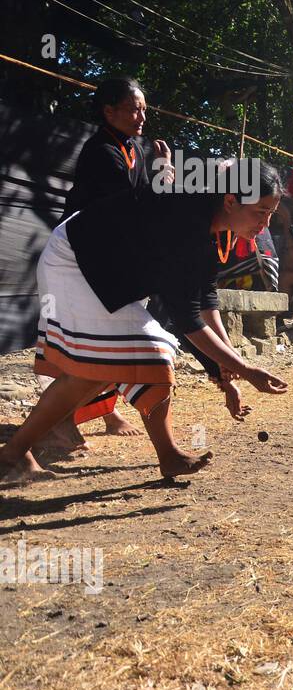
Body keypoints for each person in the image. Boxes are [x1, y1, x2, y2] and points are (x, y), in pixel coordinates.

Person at [1, 163, 288, 483]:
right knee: (149, 351)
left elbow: (206, 300)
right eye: (261, 212)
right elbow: (187, 319)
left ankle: (19, 450)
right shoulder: (185, 217)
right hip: (74, 263)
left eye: (271, 214)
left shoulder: (211, 225)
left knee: (99, 367)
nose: (265, 224)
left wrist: (227, 373)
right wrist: (245, 371)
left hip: (105, 274)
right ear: (231, 201)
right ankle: (165, 455)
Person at [61, 76, 177, 438]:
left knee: (107, 342)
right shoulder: (101, 151)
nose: (141, 116)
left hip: (114, 258)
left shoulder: (131, 149)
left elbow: (143, 204)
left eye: (144, 109)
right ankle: (58, 423)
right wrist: (164, 172)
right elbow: (138, 205)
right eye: (133, 109)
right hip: (85, 257)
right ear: (109, 111)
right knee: (98, 341)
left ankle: (101, 413)